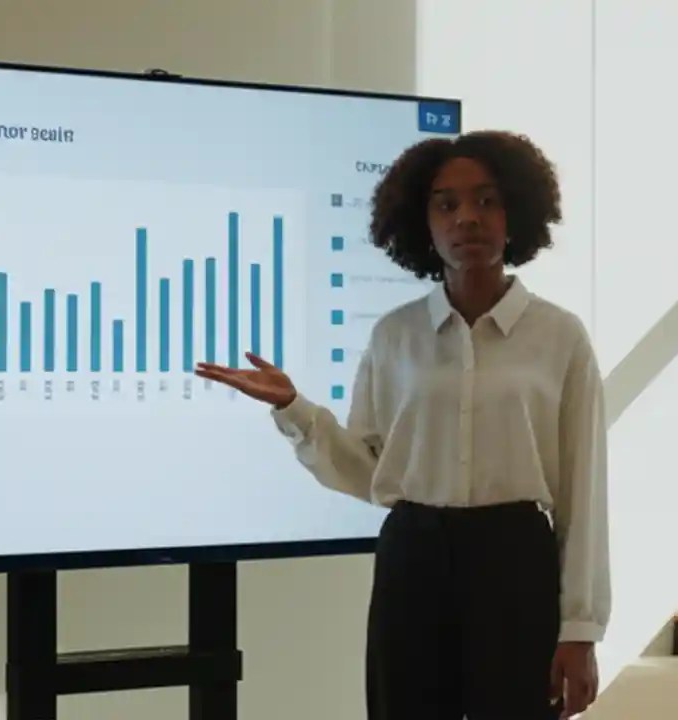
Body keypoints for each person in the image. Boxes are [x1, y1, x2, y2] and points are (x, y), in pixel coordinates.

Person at [196, 130, 610, 719]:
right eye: (447, 204)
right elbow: (371, 471)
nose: (468, 217)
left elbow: (583, 492)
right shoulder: (395, 336)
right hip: (414, 557)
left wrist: (582, 628)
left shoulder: (560, 336)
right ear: (423, 225)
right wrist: (294, 409)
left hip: (516, 562)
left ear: (516, 213)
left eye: (487, 200)